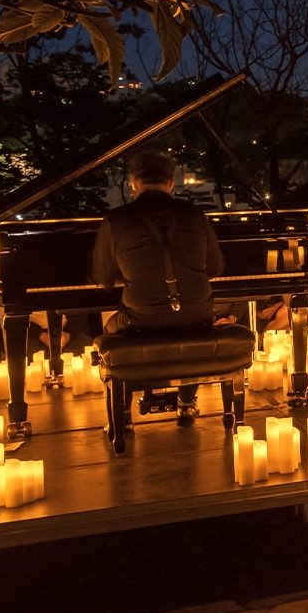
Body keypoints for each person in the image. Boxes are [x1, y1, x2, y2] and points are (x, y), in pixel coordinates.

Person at [91, 150, 224, 423]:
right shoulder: (194, 215)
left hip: (143, 322)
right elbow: (215, 268)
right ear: (171, 183)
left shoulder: (116, 220)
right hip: (198, 317)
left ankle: (123, 411)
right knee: (187, 320)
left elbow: (103, 277)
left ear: (132, 183)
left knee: (110, 329)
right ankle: (187, 401)